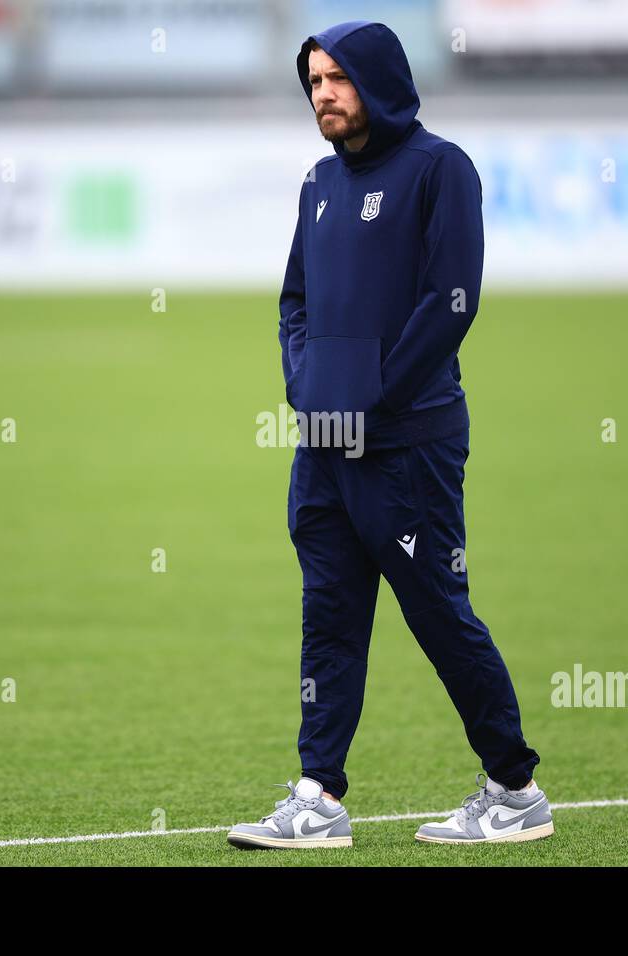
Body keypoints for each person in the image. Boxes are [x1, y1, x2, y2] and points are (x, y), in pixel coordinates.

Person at [227, 20, 551, 850]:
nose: (322, 94)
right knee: (327, 617)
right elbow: (293, 302)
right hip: (324, 450)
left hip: (409, 445)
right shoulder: (318, 184)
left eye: (336, 78)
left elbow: (452, 302)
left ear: (376, 78)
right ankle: (317, 797)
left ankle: (514, 789)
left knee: (439, 614)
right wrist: (307, 386)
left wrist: (370, 399)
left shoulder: (440, 170)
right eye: (312, 82)